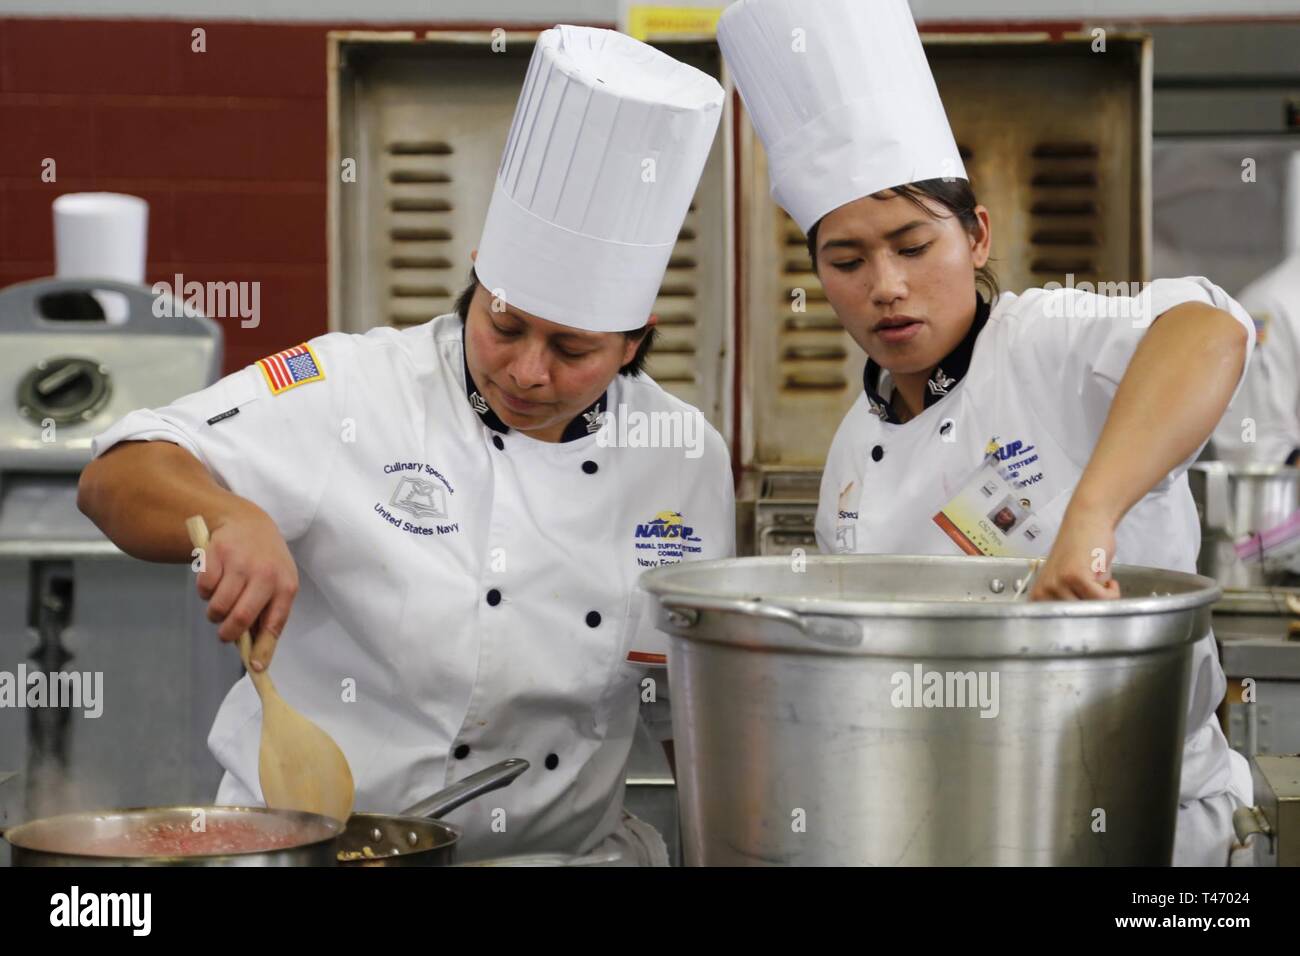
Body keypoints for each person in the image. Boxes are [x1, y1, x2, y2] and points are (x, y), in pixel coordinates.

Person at [77, 25, 734, 864]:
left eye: (573, 350)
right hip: (312, 851)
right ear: (476, 280)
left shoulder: (682, 455)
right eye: (504, 325)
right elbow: (118, 470)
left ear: (636, 340)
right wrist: (224, 511)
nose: (529, 372)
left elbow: (692, 708)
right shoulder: (353, 387)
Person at [718, 0, 1254, 865]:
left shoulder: (1045, 341)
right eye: (847, 261)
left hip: (1142, 825)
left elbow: (1210, 334)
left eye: (912, 245)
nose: (886, 286)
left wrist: (1090, 521)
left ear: (976, 236)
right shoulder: (855, 451)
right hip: (946, 826)